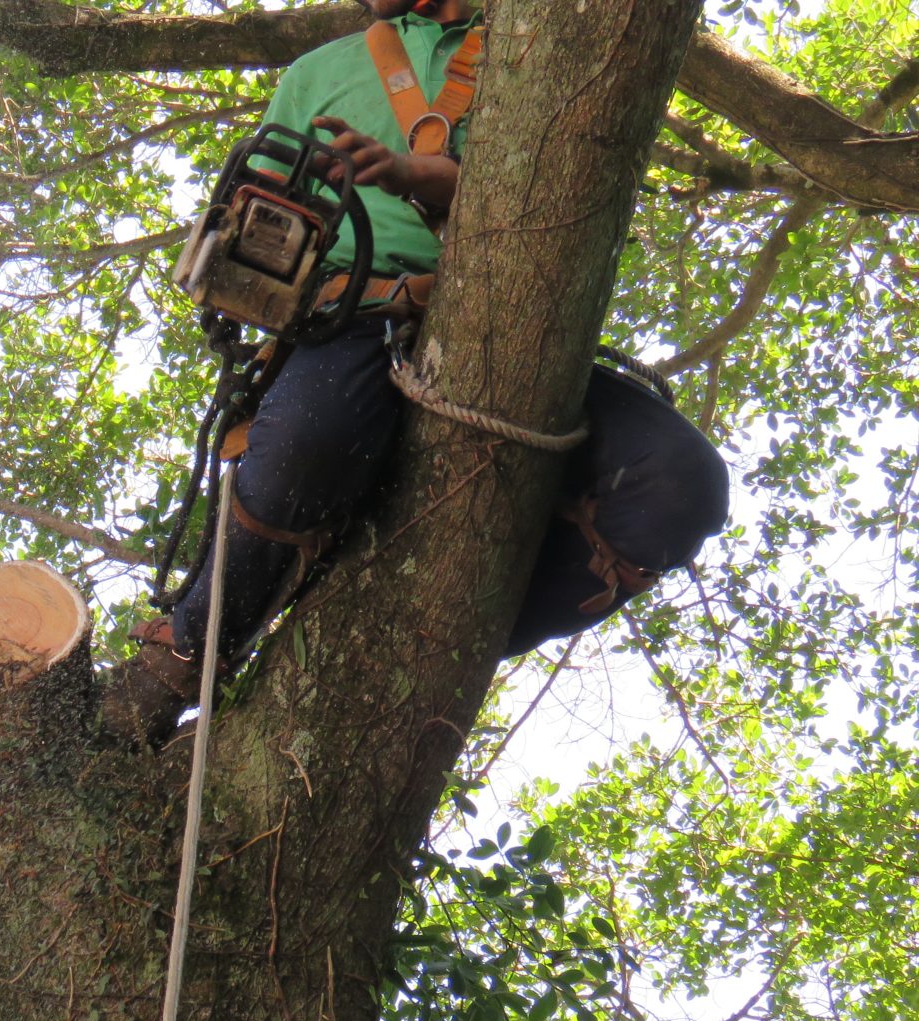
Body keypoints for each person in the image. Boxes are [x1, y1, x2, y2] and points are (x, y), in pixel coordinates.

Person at [102, 0, 730, 745]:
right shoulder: (318, 74)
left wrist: (422, 177)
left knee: (678, 486)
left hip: (512, 320)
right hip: (353, 320)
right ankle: (180, 656)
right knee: (303, 443)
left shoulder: (547, 50)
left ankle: (392, 644)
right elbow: (259, 225)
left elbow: (563, 198)